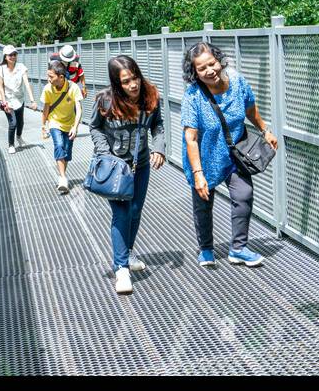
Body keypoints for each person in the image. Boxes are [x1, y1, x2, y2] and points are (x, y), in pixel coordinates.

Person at [180, 41, 279, 268]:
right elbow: (191, 138)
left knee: (243, 195)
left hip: (234, 154)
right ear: (194, 72)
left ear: (219, 59)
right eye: (202, 68)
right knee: (203, 203)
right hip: (204, 158)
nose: (210, 71)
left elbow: (250, 109)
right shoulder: (193, 96)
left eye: (212, 64)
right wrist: (198, 173)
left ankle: (238, 248)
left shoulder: (236, 81)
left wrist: (265, 130)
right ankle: (205, 249)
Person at [89, 55, 165, 295]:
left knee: (135, 210)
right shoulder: (105, 100)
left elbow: (157, 126)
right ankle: (121, 268)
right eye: (126, 81)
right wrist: (105, 153)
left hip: (140, 164)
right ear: (116, 84)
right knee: (121, 213)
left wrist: (159, 148)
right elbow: (94, 127)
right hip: (115, 168)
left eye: (135, 78)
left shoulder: (150, 95)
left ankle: (128, 252)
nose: (133, 85)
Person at [40, 58, 84, 195]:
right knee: (59, 146)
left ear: (60, 77)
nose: (48, 79)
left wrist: (75, 127)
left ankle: (61, 176)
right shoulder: (47, 89)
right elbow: (46, 108)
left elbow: (79, 109)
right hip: (55, 122)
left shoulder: (73, 88)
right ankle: (63, 178)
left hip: (70, 124)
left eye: (51, 76)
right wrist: (43, 125)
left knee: (66, 152)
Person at [0, 45, 37, 153]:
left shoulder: (21, 67)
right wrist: (4, 104)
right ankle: (11, 145)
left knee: (20, 122)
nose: (13, 57)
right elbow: (1, 88)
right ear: (5, 57)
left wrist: (32, 100)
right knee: (13, 123)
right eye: (10, 55)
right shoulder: (1, 70)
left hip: (19, 99)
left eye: (14, 54)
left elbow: (27, 84)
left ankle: (19, 137)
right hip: (7, 99)